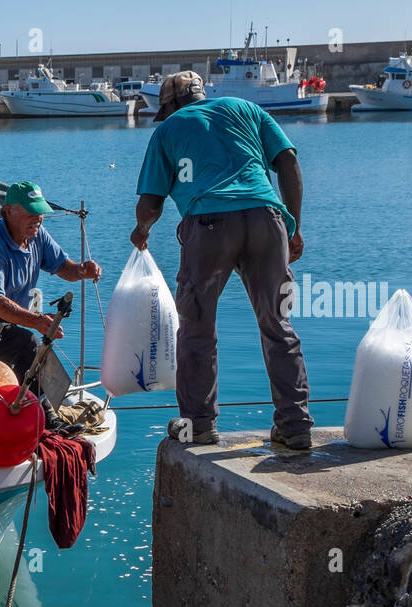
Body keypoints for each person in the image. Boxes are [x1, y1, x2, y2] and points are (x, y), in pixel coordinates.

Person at [131, 71, 313, 450]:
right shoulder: (247, 109)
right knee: (278, 324)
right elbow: (288, 162)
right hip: (267, 219)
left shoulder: (168, 130)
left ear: (172, 105)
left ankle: (199, 427)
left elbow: (151, 203)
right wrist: (292, 225)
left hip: (209, 226)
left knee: (197, 329)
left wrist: (142, 230)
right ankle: (295, 426)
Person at [0, 181, 101, 382]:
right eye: (31, 212)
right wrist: (37, 321)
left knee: (23, 349)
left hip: (1, 316)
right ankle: (39, 408)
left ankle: (20, 398)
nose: (38, 218)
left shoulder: (37, 235)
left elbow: (63, 267)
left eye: (40, 212)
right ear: (8, 211)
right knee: (26, 343)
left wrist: (82, 270)